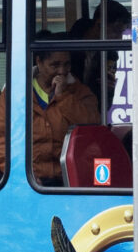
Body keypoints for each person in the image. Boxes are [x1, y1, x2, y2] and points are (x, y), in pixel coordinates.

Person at [26, 47, 101, 186]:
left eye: (67, 64)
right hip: (30, 179)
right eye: (55, 65)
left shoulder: (80, 91)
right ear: (39, 62)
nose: (62, 71)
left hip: (70, 177)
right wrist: (20, 173)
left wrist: (63, 96)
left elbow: (92, 125)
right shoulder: (18, 91)